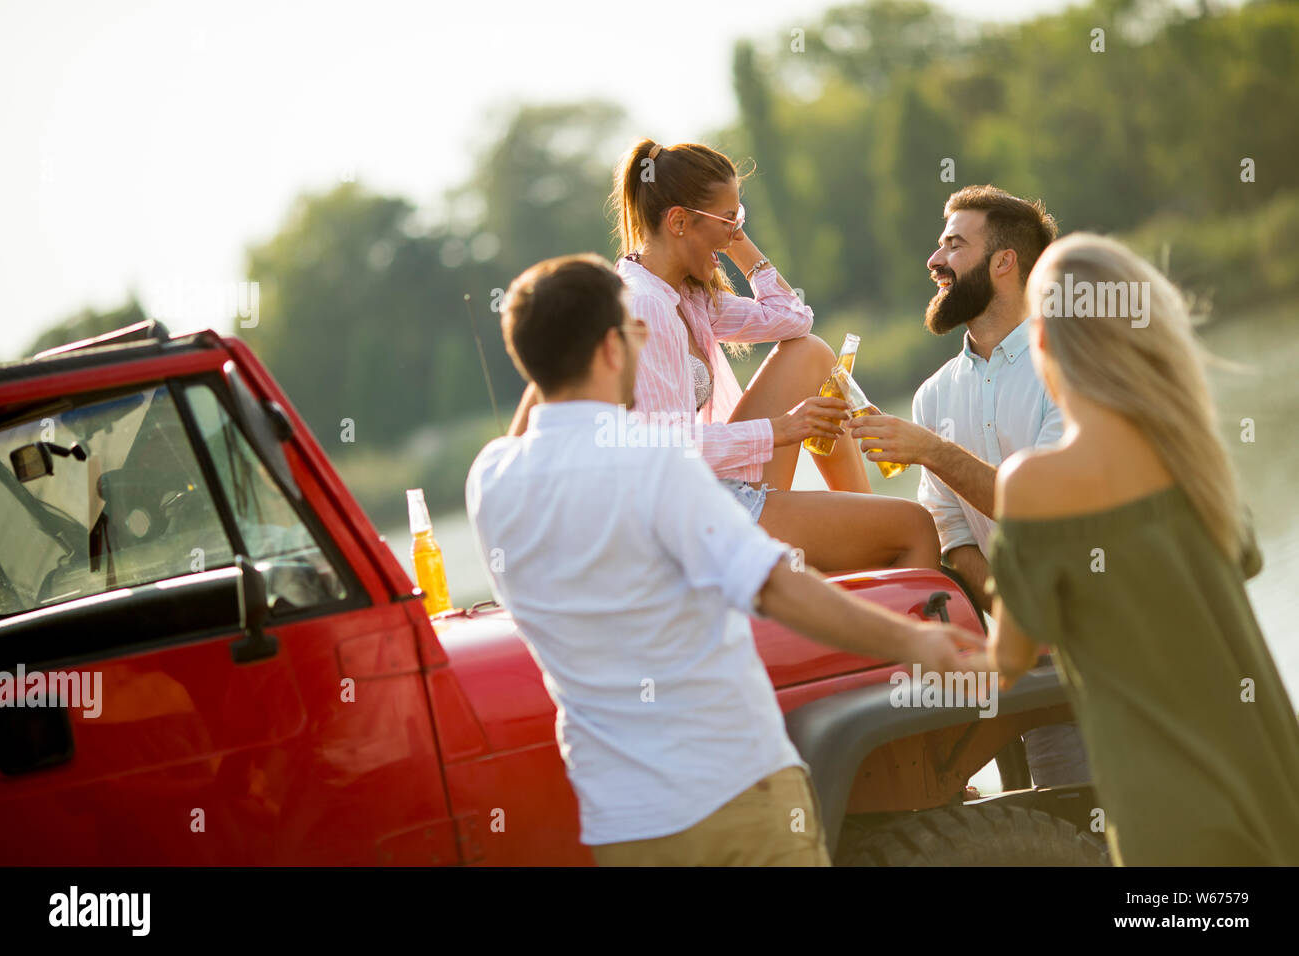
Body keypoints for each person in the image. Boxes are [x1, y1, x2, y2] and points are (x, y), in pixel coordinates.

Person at [469, 253, 984, 866]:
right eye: (634, 334)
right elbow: (778, 588)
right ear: (608, 348)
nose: (643, 344)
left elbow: (544, 400)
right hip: (734, 794)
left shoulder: (492, 479)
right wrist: (917, 644)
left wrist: (560, 332)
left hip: (621, 826)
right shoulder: (654, 462)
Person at [988, 233, 1299, 865]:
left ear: (1040, 339)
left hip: (1172, 829)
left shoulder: (1032, 485)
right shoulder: (1193, 454)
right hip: (1278, 793)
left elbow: (1007, 662)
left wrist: (901, 651)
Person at [507, 139, 939, 573]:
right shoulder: (643, 305)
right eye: (728, 219)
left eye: (740, 218)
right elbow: (663, 448)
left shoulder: (687, 292)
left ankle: (864, 529)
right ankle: (874, 553)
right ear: (678, 221)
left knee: (811, 354)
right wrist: (782, 429)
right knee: (915, 526)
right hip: (685, 508)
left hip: (710, 482)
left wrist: (735, 242)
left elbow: (793, 319)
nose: (735, 231)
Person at [846, 185, 1088, 789]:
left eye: (954, 244)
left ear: (1004, 262)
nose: (935, 259)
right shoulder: (932, 395)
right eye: (939, 243)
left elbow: (1044, 508)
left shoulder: (1074, 359)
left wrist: (930, 450)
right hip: (1035, 670)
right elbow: (953, 541)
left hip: (1121, 648)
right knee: (1067, 839)